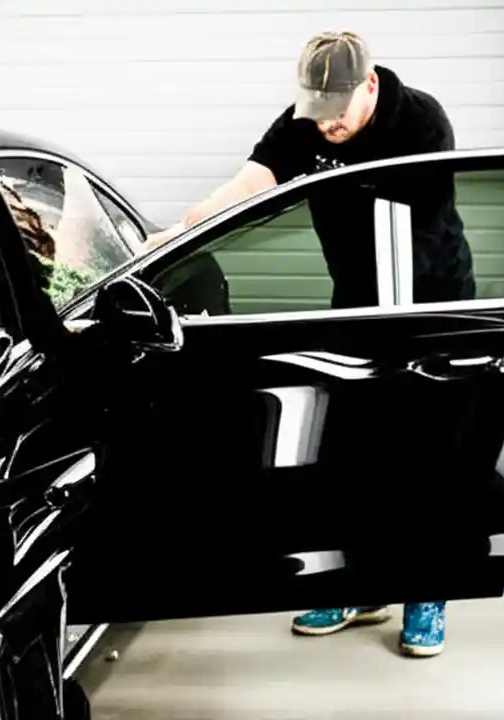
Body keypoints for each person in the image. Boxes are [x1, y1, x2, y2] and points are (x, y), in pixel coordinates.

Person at [148, 30, 473, 657]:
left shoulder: (420, 121)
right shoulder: (305, 124)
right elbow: (249, 183)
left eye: (337, 111)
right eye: (316, 111)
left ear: (369, 85)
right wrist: (180, 230)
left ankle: (424, 592)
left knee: (423, 452)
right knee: (351, 446)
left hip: (428, 302)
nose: (325, 126)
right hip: (356, 301)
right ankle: (358, 586)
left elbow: (404, 225)